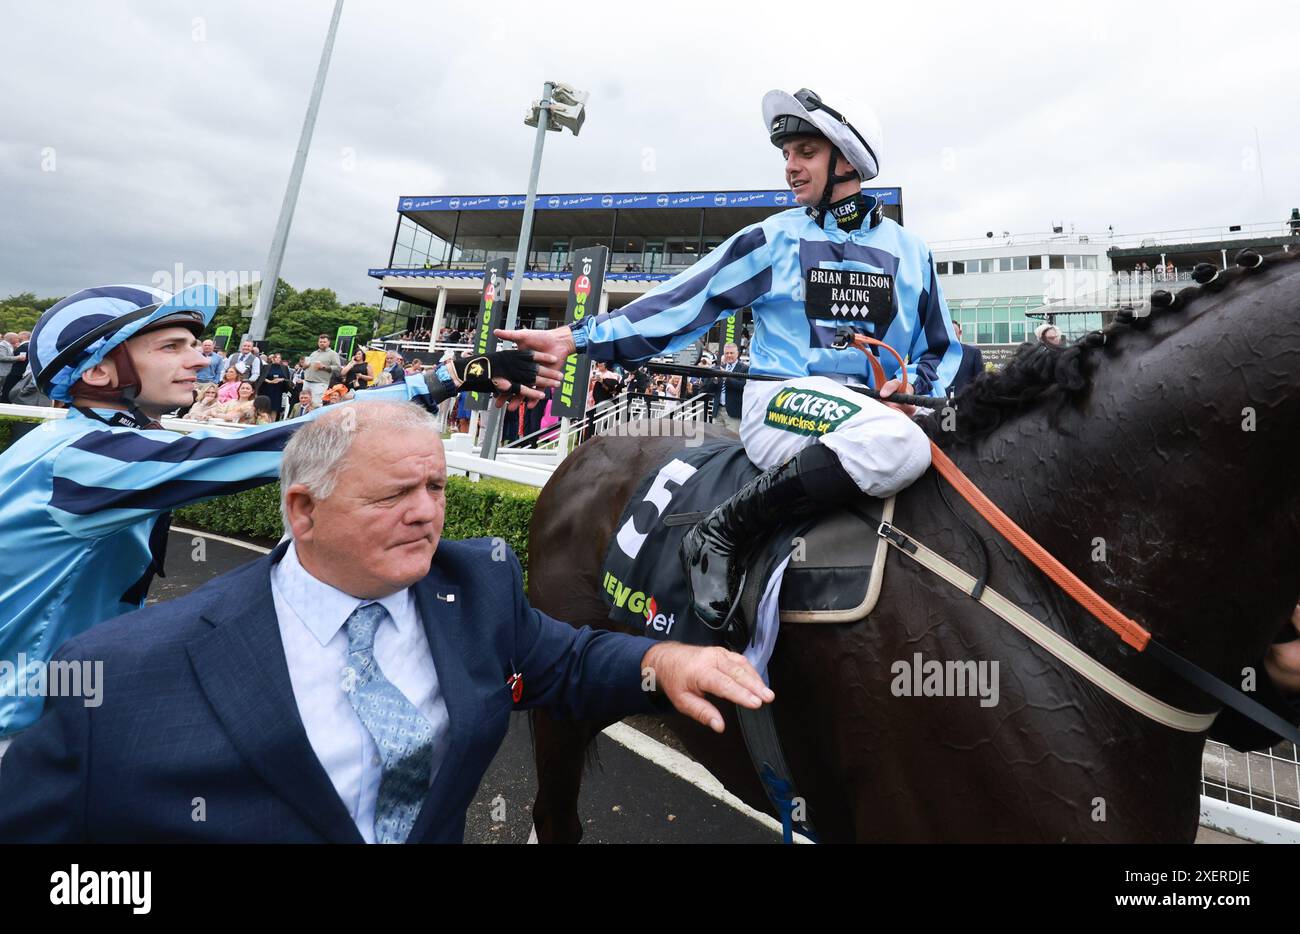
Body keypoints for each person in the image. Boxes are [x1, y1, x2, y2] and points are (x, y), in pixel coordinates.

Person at [0, 402, 774, 842]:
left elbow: (567, 663)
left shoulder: (479, 587)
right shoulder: (121, 673)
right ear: (302, 508)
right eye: (394, 496)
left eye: (437, 487)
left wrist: (660, 664)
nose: (428, 515)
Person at [0, 283, 560, 750]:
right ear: (98, 373)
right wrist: (443, 379)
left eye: (196, 343)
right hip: (24, 726)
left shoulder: (96, 442)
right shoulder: (81, 461)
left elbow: (242, 442)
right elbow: (267, 448)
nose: (200, 357)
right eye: (172, 347)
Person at [500, 87, 960, 624]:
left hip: (873, 416)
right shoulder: (772, 239)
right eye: (786, 155)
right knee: (900, 445)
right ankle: (721, 530)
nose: (790, 167)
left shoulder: (913, 252)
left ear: (849, 161)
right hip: (782, 402)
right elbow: (680, 304)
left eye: (805, 153)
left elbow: (941, 350)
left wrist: (911, 393)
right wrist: (577, 338)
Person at [703, 342, 748, 431]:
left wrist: (726, 378)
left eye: (731, 353)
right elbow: (708, 388)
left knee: (732, 441)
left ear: (737, 353)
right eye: (726, 353)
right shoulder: (718, 368)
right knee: (717, 440)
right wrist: (715, 380)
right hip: (718, 410)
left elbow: (743, 387)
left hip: (733, 413)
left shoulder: (744, 368)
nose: (729, 355)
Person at [303, 334, 342, 405]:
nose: (322, 343)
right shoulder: (314, 353)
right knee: (305, 404)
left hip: (319, 383)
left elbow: (338, 368)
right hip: (307, 381)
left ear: (329, 343)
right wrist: (305, 366)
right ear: (318, 343)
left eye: (324, 342)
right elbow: (306, 366)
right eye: (320, 342)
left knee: (316, 404)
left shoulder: (333, 354)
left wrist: (323, 367)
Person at [948, 320, 985, 394]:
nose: (951, 336)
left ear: (960, 333)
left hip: (965, 401)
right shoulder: (936, 354)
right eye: (948, 333)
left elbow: (980, 381)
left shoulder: (973, 353)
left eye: (954, 333)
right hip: (941, 402)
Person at [260, 352, 292, 419]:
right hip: (267, 389)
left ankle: (272, 422)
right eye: (276, 357)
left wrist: (281, 379)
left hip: (278, 390)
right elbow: (261, 377)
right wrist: (269, 381)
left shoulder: (284, 368)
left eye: (279, 358)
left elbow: (287, 379)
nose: (278, 359)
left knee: (274, 408)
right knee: (265, 407)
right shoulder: (266, 367)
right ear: (272, 359)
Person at [0, 332, 29, 404]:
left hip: (5, 372)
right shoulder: (2, 346)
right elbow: (2, 357)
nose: (18, 339)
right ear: (12, 339)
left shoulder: (9, 346)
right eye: (17, 338)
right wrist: (18, 358)